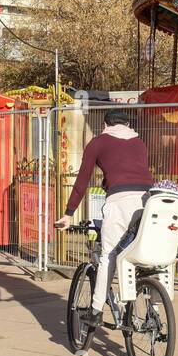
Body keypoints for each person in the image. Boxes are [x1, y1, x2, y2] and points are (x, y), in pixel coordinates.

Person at [55, 108, 155, 330]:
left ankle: (96, 310)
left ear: (106, 125)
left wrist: (69, 213)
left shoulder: (98, 142)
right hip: (148, 201)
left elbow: (82, 181)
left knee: (109, 256)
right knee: (142, 254)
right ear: (127, 124)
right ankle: (152, 309)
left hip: (120, 202)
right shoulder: (139, 143)